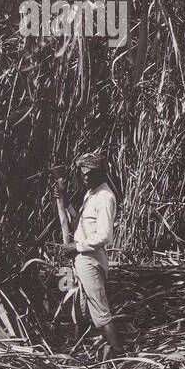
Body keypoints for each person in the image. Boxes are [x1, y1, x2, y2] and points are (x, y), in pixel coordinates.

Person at [53, 151, 124, 355]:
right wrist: (66, 203)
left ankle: (120, 353)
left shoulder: (105, 197)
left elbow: (104, 236)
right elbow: (79, 223)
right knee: (80, 306)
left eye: (91, 173)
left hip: (90, 258)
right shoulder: (91, 194)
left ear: (101, 173)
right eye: (83, 173)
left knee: (99, 310)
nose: (86, 177)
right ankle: (76, 349)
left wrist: (76, 246)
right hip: (80, 258)